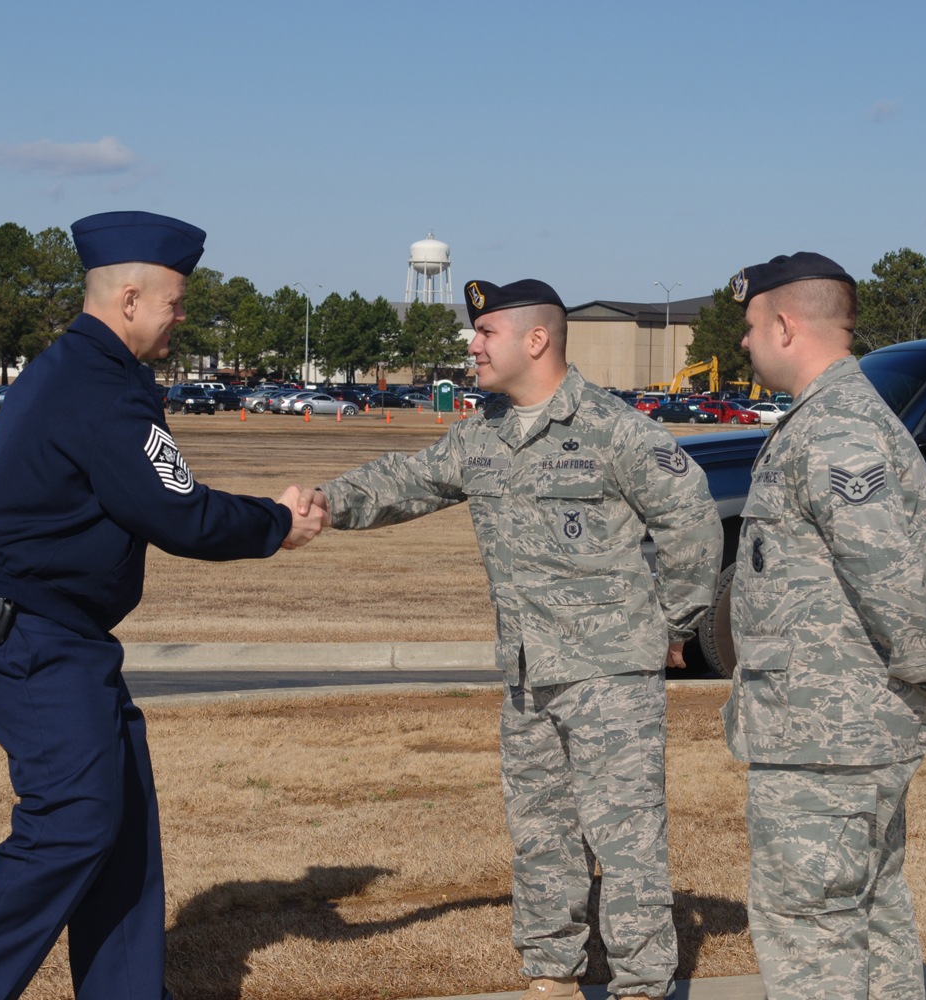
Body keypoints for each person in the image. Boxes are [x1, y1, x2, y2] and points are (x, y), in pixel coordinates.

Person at [0, 211, 326, 1000]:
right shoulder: (100, 389)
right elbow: (177, 511)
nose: (181, 316)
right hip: (33, 638)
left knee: (121, 830)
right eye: (175, 301)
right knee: (72, 825)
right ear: (130, 299)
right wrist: (277, 523)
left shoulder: (74, 370)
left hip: (60, 637)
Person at [302, 279, 721, 1000]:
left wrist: (674, 625)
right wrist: (321, 504)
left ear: (536, 340)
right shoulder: (482, 432)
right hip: (527, 672)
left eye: (486, 332)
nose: (472, 345)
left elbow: (691, 517)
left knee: (626, 843)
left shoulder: (612, 427)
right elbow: (406, 480)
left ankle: (643, 985)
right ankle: (552, 974)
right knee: (541, 833)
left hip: (608, 674)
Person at [720, 252, 926, 1000]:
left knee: (811, 925)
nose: (744, 343)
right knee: (869, 913)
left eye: (748, 327)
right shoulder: (840, 416)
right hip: (843, 727)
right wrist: (925, 661)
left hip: (827, 732)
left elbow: (884, 567)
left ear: (783, 323)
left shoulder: (834, 426)